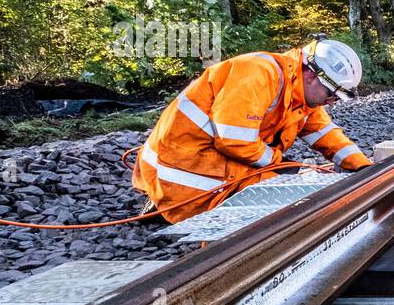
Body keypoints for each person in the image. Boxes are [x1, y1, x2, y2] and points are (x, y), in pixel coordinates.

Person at [133, 36, 373, 222]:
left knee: (296, 188)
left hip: (215, 160)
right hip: (186, 171)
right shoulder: (258, 74)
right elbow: (233, 140)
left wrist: (364, 168)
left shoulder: (299, 92)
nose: (332, 102)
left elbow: (324, 133)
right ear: (311, 75)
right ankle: (170, 202)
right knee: (292, 202)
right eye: (331, 95)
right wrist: (280, 165)